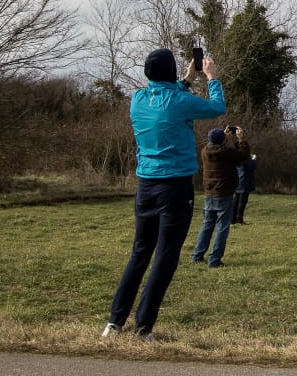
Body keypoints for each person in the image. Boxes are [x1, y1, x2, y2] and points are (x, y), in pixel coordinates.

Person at [103, 48, 226, 341]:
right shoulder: (180, 101)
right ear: (169, 73)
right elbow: (217, 107)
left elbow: (166, 98)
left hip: (145, 186)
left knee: (140, 253)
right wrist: (212, 78)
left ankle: (114, 323)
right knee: (166, 257)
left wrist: (185, 78)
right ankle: (144, 328)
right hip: (175, 187)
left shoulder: (138, 100)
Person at [191, 124, 250, 267]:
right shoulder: (226, 152)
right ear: (222, 140)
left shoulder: (205, 151)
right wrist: (241, 140)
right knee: (222, 227)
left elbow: (219, 147)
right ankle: (214, 259)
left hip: (209, 193)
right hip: (223, 193)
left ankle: (197, 255)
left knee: (207, 224)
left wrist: (223, 137)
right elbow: (243, 155)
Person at [233, 153, 258, 224]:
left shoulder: (237, 157)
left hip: (238, 181)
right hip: (245, 182)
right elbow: (252, 167)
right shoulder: (245, 159)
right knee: (242, 202)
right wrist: (253, 159)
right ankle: (239, 219)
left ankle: (232, 218)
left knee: (236, 201)